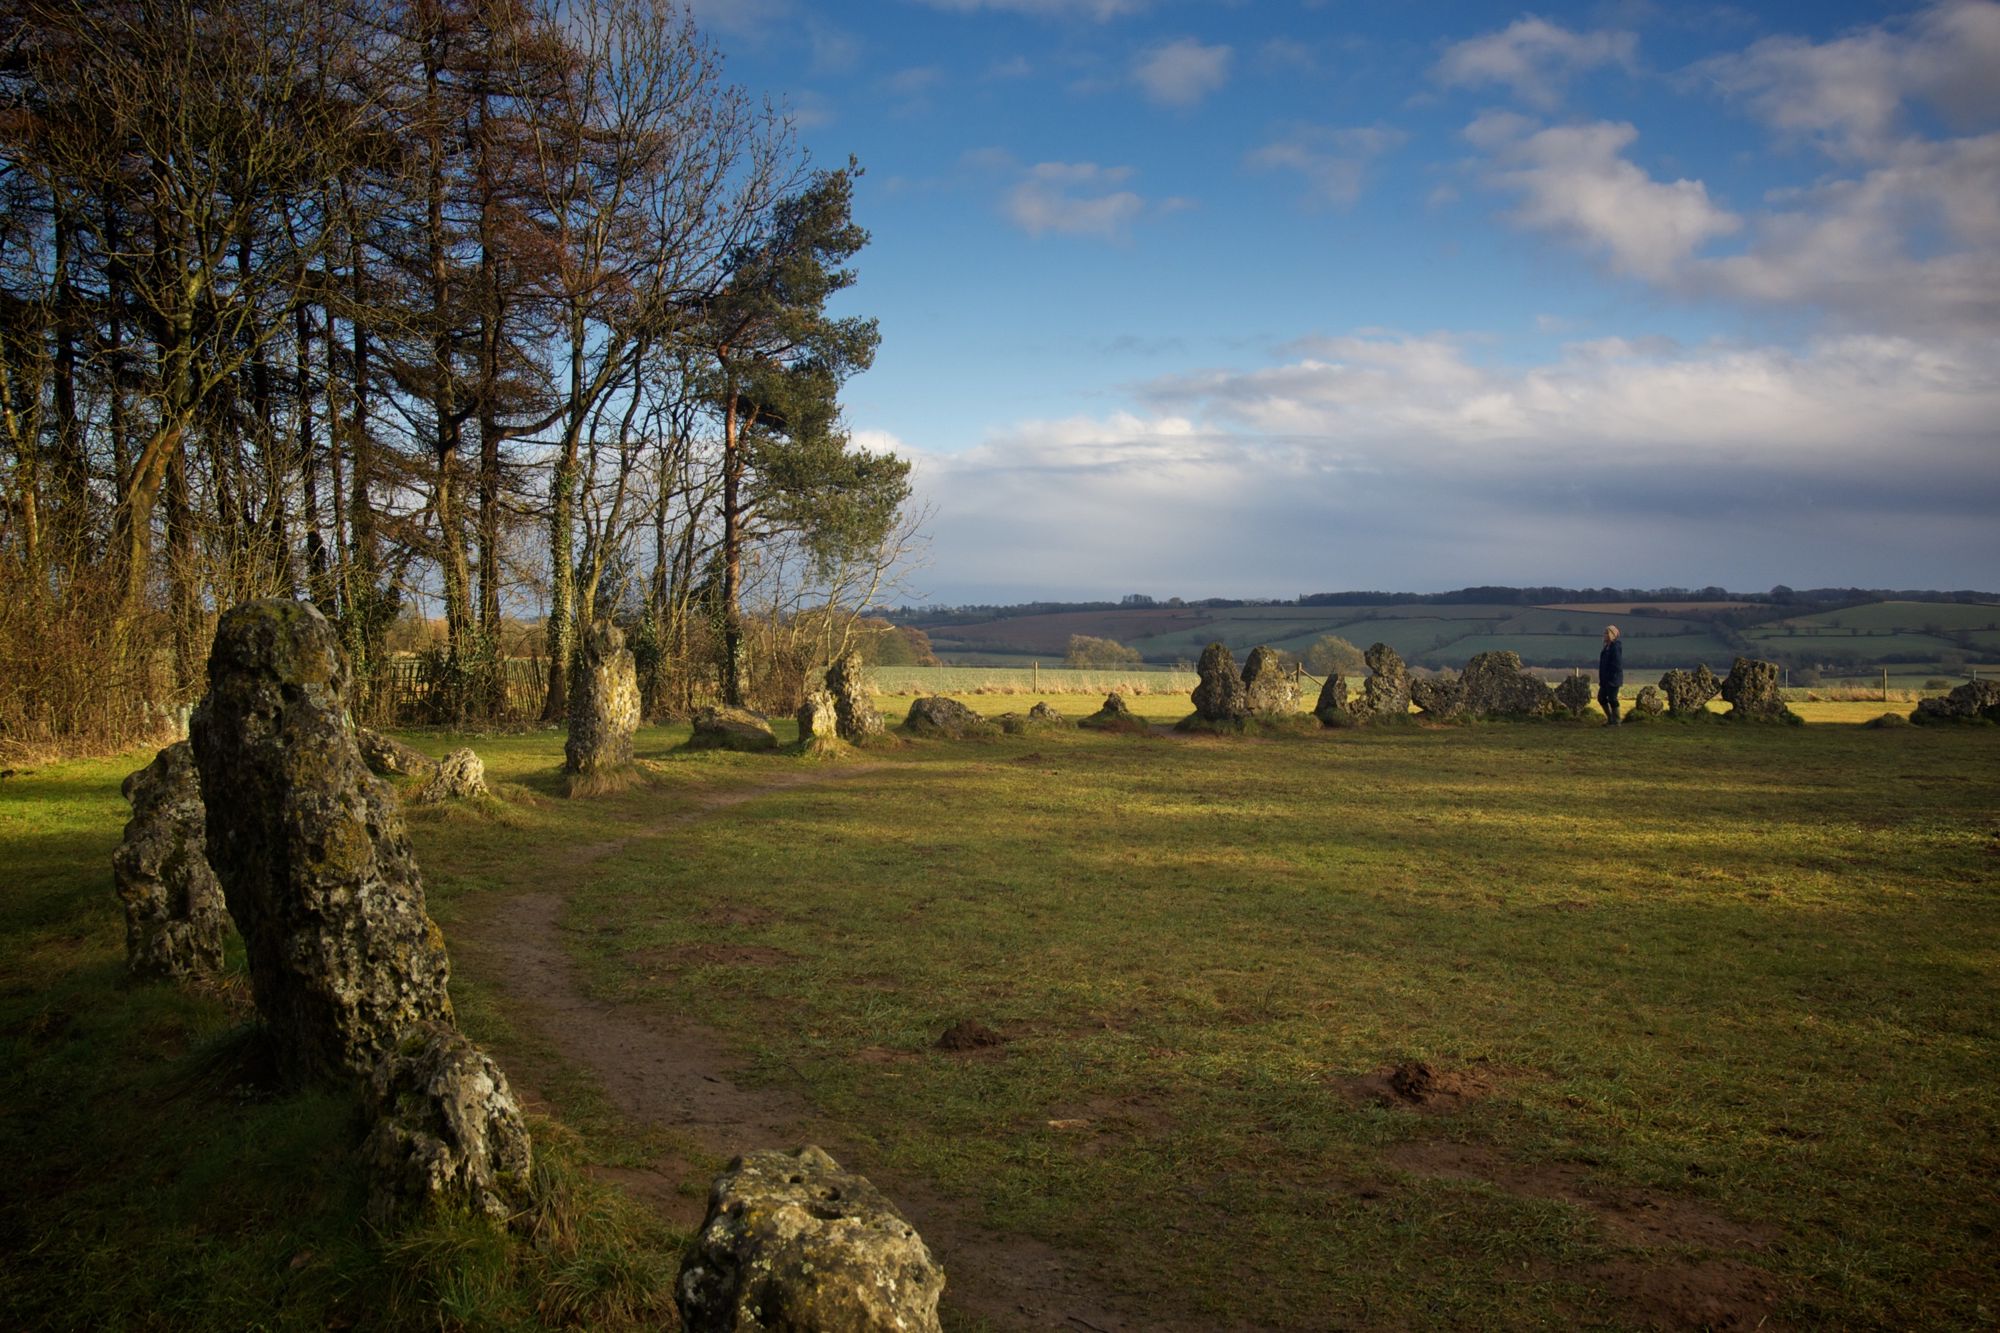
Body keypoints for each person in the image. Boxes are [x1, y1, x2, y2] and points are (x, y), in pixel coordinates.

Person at [1597, 625, 1624, 726]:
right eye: (1605, 633)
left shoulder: (1615, 647)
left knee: (1612, 698)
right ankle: (1610, 718)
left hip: (1613, 679)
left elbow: (1617, 664)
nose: (1605, 635)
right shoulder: (1606, 647)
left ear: (1613, 635)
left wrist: (1611, 676)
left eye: (1607, 633)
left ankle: (1616, 721)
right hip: (1605, 679)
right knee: (1601, 698)